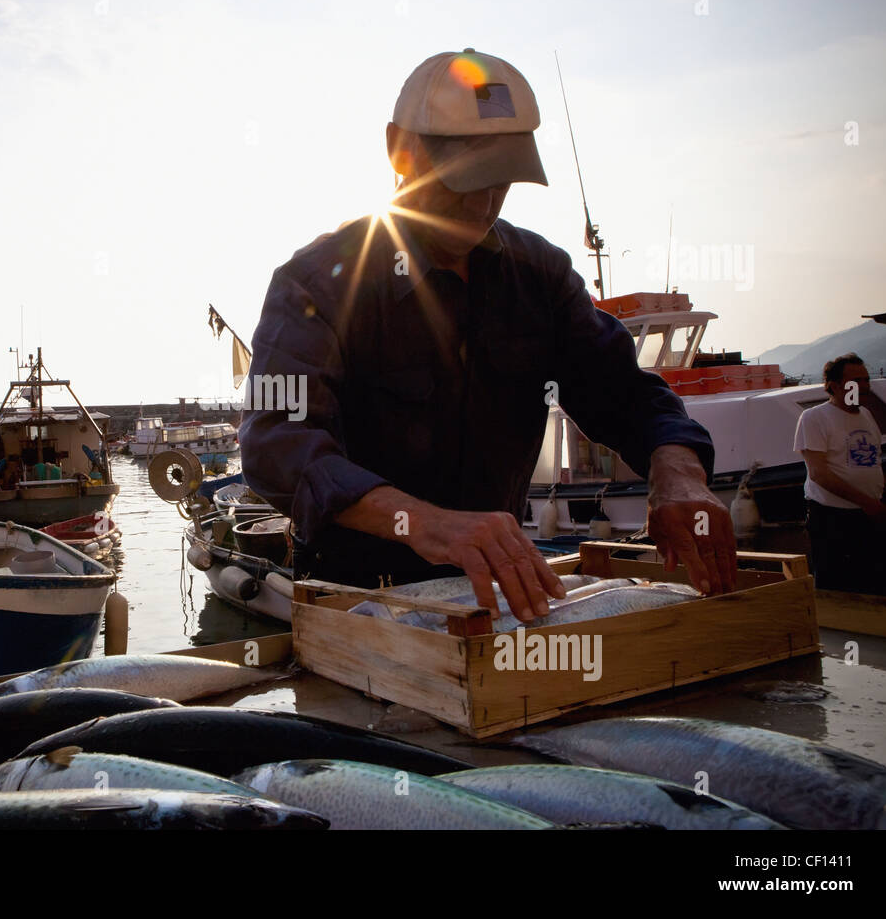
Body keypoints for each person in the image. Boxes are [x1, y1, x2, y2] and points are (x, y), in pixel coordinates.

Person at [239, 48, 738, 624]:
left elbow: (624, 393)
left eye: (500, 180)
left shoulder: (542, 274)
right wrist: (425, 523)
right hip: (356, 606)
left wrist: (678, 477)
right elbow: (276, 444)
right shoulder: (314, 282)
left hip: (501, 599)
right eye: (463, 180)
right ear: (400, 149)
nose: (482, 203)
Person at [795, 353, 886, 594]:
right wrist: (868, 504)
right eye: (856, 381)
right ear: (833, 386)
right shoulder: (814, 418)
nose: (863, 386)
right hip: (834, 518)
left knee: (879, 581)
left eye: (865, 380)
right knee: (839, 587)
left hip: (870, 513)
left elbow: (873, 460)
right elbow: (819, 473)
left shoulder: (867, 415)